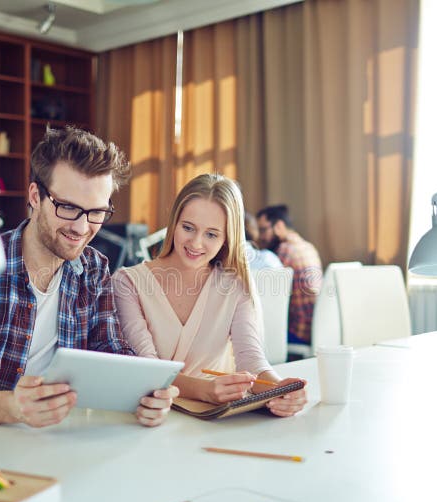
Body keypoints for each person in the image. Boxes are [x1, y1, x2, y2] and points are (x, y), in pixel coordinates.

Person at [0, 126, 179, 430]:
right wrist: (11, 407)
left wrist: (146, 393)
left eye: (96, 212)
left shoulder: (94, 270)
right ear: (35, 196)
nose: (82, 228)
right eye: (68, 207)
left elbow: (110, 350)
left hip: (54, 443)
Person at [113, 174, 307, 416]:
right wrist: (205, 390)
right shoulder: (127, 282)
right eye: (188, 228)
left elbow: (251, 361)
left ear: (227, 238)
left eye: (212, 234)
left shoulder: (236, 286)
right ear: (174, 223)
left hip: (212, 423)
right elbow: (149, 370)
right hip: (151, 416)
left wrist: (278, 389)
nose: (196, 243)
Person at [256, 205, 323, 346]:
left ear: (279, 226)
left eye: (263, 230)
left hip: (298, 332)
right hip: (316, 328)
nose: (261, 237)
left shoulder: (286, 250)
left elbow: (268, 298)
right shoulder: (308, 246)